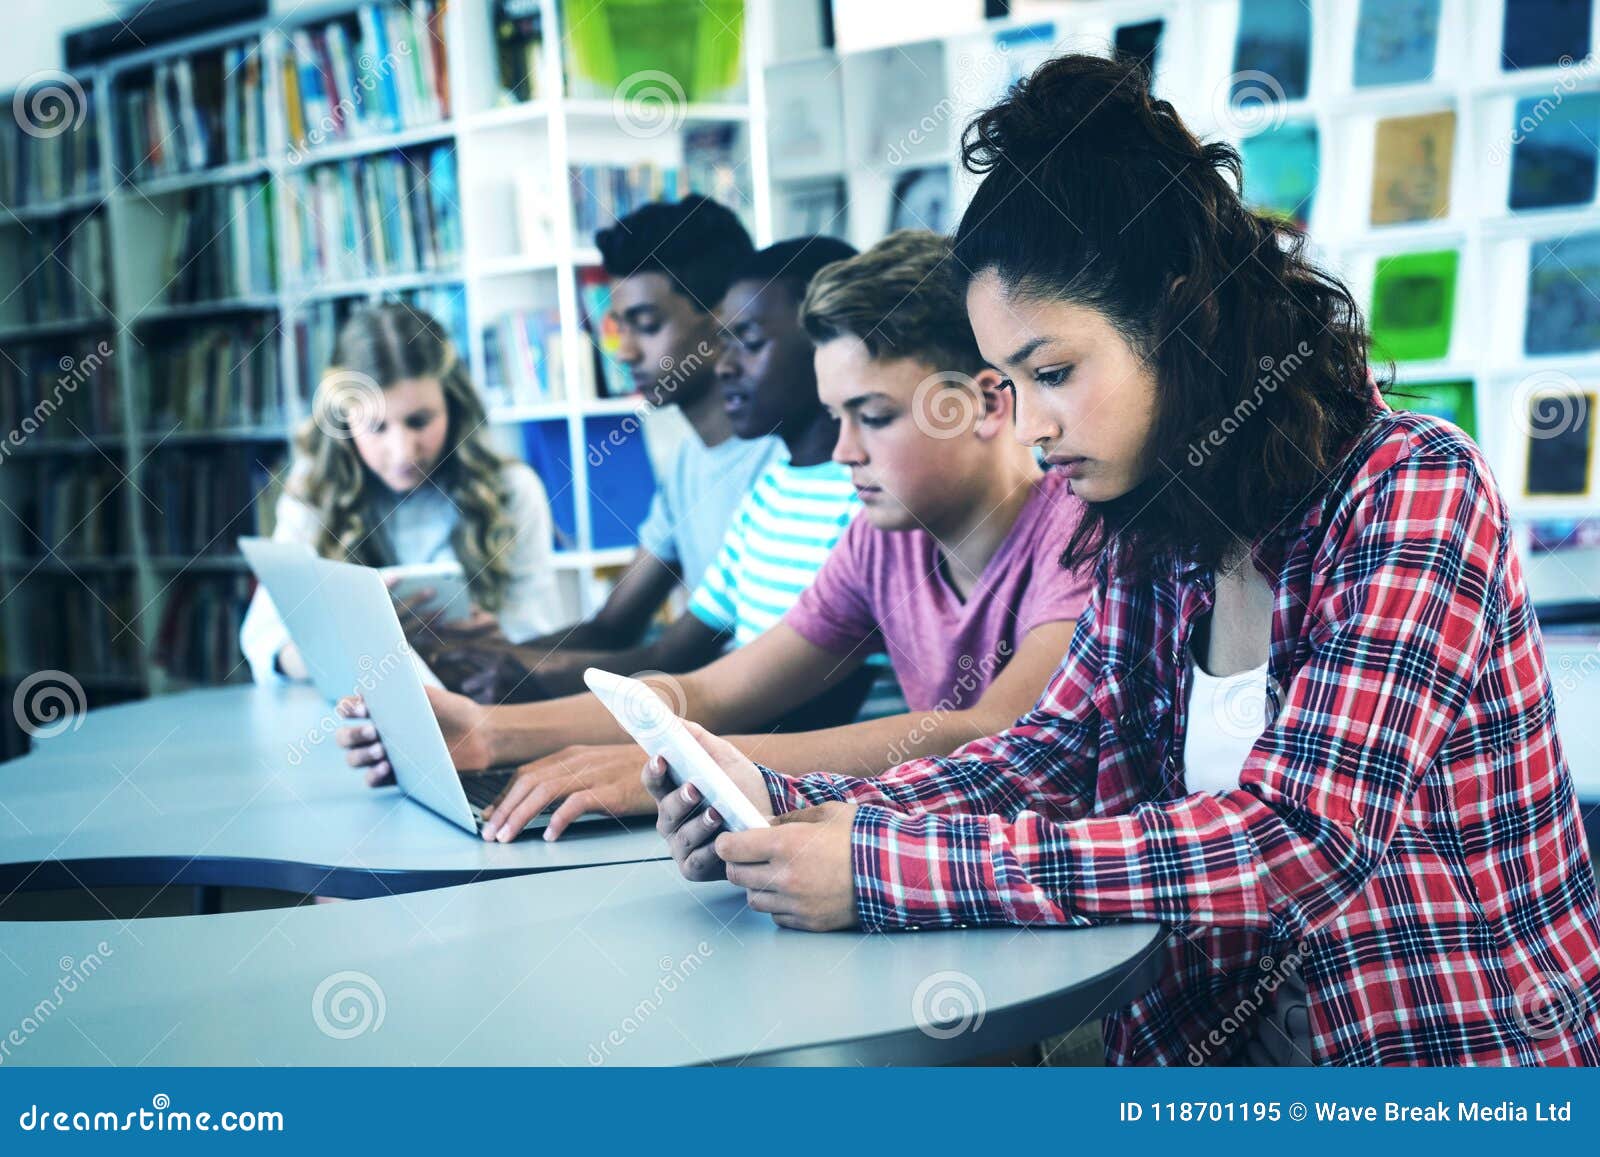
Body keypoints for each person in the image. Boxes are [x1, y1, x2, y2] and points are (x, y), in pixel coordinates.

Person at [645, 53, 1600, 1068]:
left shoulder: (1413, 485)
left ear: (1180, 315)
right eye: (1010, 381)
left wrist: (880, 866)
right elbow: (1049, 753)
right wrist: (785, 805)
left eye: (1053, 370)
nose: (1030, 424)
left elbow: (1298, 840)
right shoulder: (1148, 524)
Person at [461, 230, 1093, 842]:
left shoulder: (1078, 531)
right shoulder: (881, 542)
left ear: (986, 405)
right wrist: (485, 732)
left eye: (874, 416)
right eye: (838, 417)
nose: (845, 451)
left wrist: (696, 765)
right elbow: (712, 690)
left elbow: (993, 733)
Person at [336, 236, 908, 790]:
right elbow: (694, 678)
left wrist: (515, 720)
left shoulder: (867, 507)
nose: (722, 363)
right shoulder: (767, 489)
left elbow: (754, 698)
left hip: (810, 784)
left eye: (746, 341)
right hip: (740, 767)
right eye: (725, 340)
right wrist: (491, 707)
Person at [436, 196, 779, 701]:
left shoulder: (779, 460)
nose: (625, 352)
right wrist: (474, 659)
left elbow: (688, 657)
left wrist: (527, 675)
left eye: (647, 324)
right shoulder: (687, 463)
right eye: (620, 327)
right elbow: (613, 628)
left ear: (720, 320)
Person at [240, 302, 560, 683]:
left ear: (454, 406)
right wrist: (359, 645)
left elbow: (539, 639)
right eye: (377, 427)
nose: (404, 452)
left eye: (419, 421)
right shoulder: (314, 495)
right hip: (356, 710)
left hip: (484, 702)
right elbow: (265, 646)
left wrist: (493, 643)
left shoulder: (513, 491)